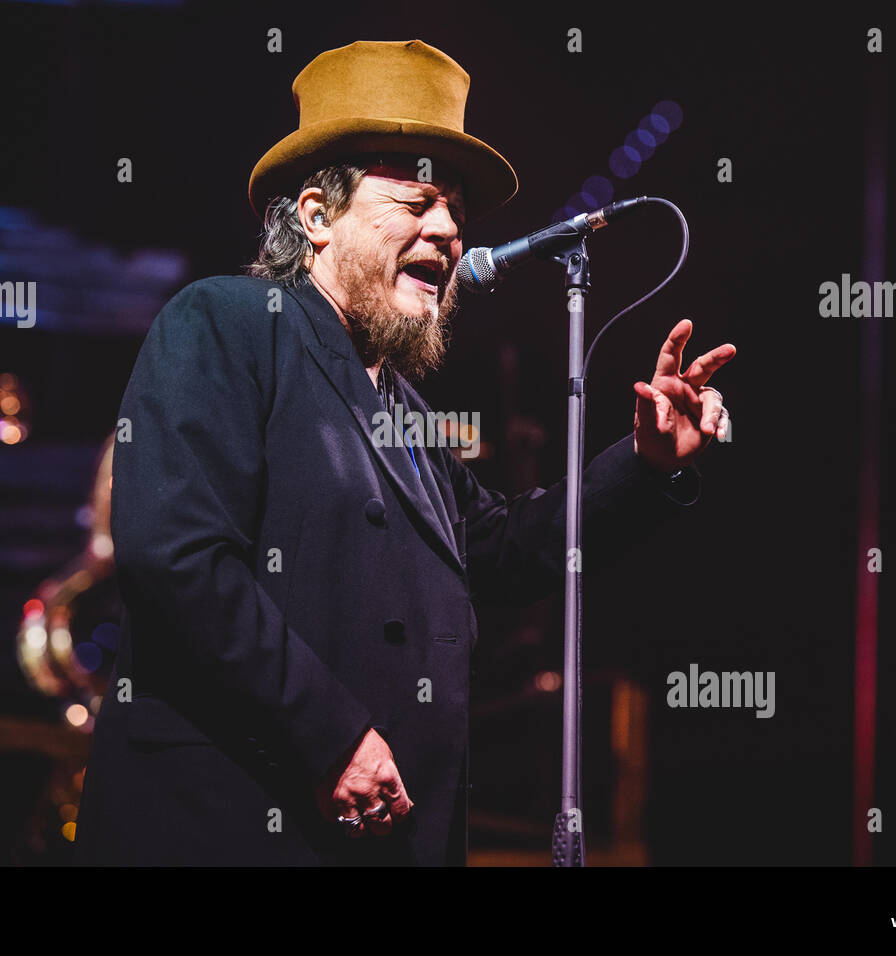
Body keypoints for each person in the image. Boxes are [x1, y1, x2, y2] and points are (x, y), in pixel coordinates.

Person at [74, 39, 735, 866]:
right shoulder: (225, 323)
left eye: (455, 208)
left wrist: (643, 466)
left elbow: (500, 549)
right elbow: (175, 557)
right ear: (317, 217)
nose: (450, 230)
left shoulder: (400, 407)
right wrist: (330, 733)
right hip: (230, 828)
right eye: (418, 200)